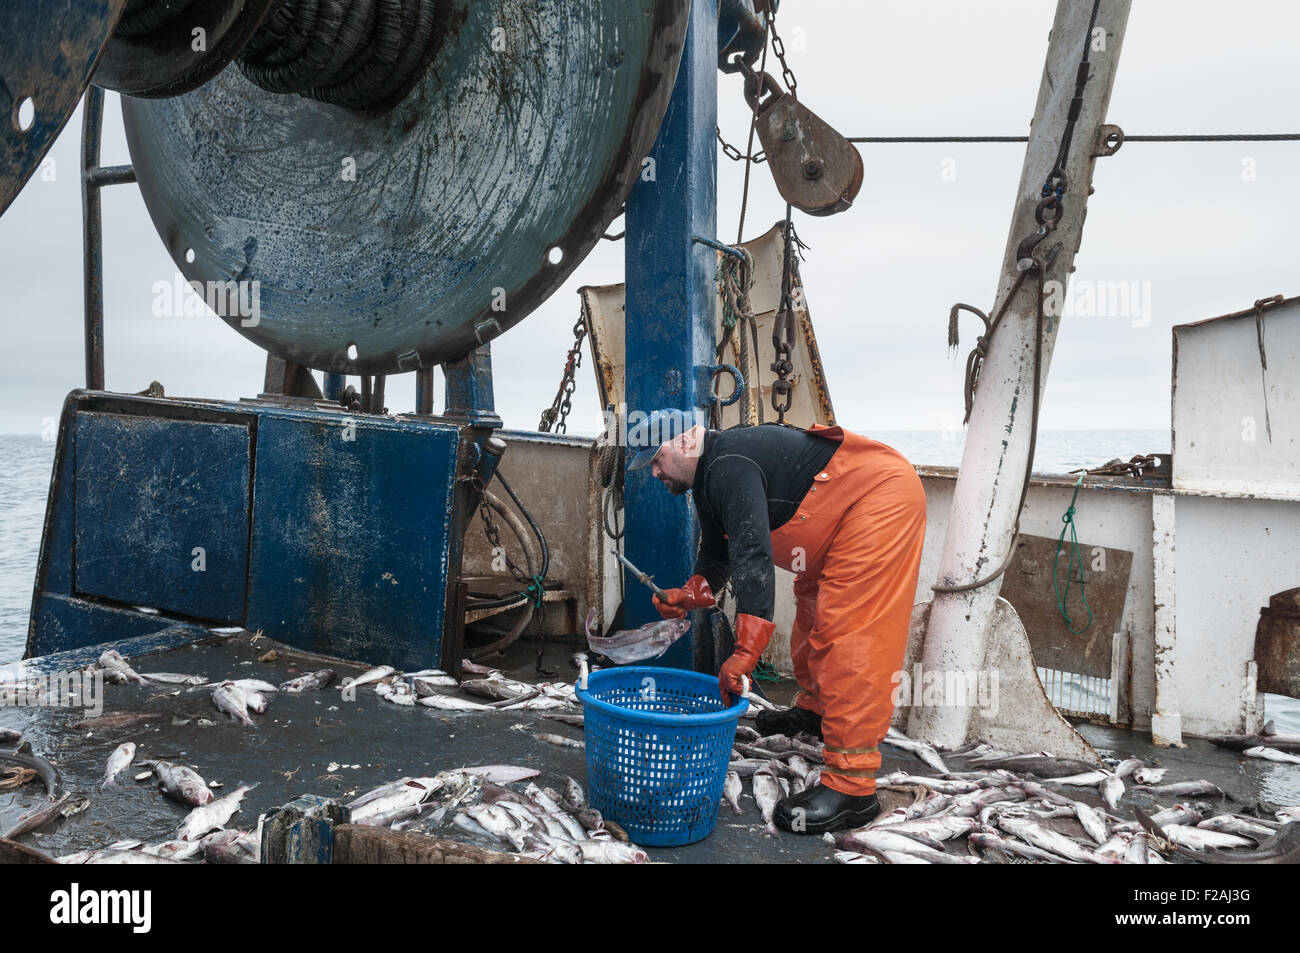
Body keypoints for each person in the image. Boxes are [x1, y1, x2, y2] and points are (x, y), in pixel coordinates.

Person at [626, 409, 927, 833]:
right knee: (811, 612)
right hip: (835, 522)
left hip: (878, 498)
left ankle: (853, 787)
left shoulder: (729, 464)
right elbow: (718, 556)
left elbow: (753, 560)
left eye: (656, 459)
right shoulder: (707, 481)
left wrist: (746, 653)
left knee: (850, 633)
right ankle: (816, 714)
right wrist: (688, 596)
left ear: (686, 441)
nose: (653, 472)